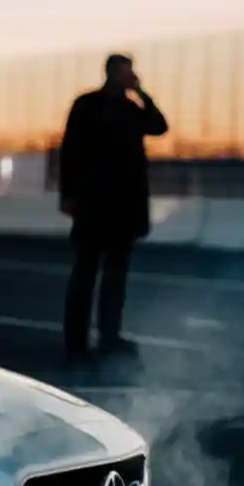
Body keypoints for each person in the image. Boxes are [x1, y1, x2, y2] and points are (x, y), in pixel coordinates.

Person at [58, 53, 169, 359]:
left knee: (115, 277)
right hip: (93, 203)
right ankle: (76, 342)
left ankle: (109, 337)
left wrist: (143, 94)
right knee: (85, 273)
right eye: (125, 72)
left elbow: (159, 126)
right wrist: (68, 194)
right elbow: (70, 150)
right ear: (111, 73)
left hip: (124, 205)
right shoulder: (87, 105)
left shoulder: (131, 108)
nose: (129, 77)